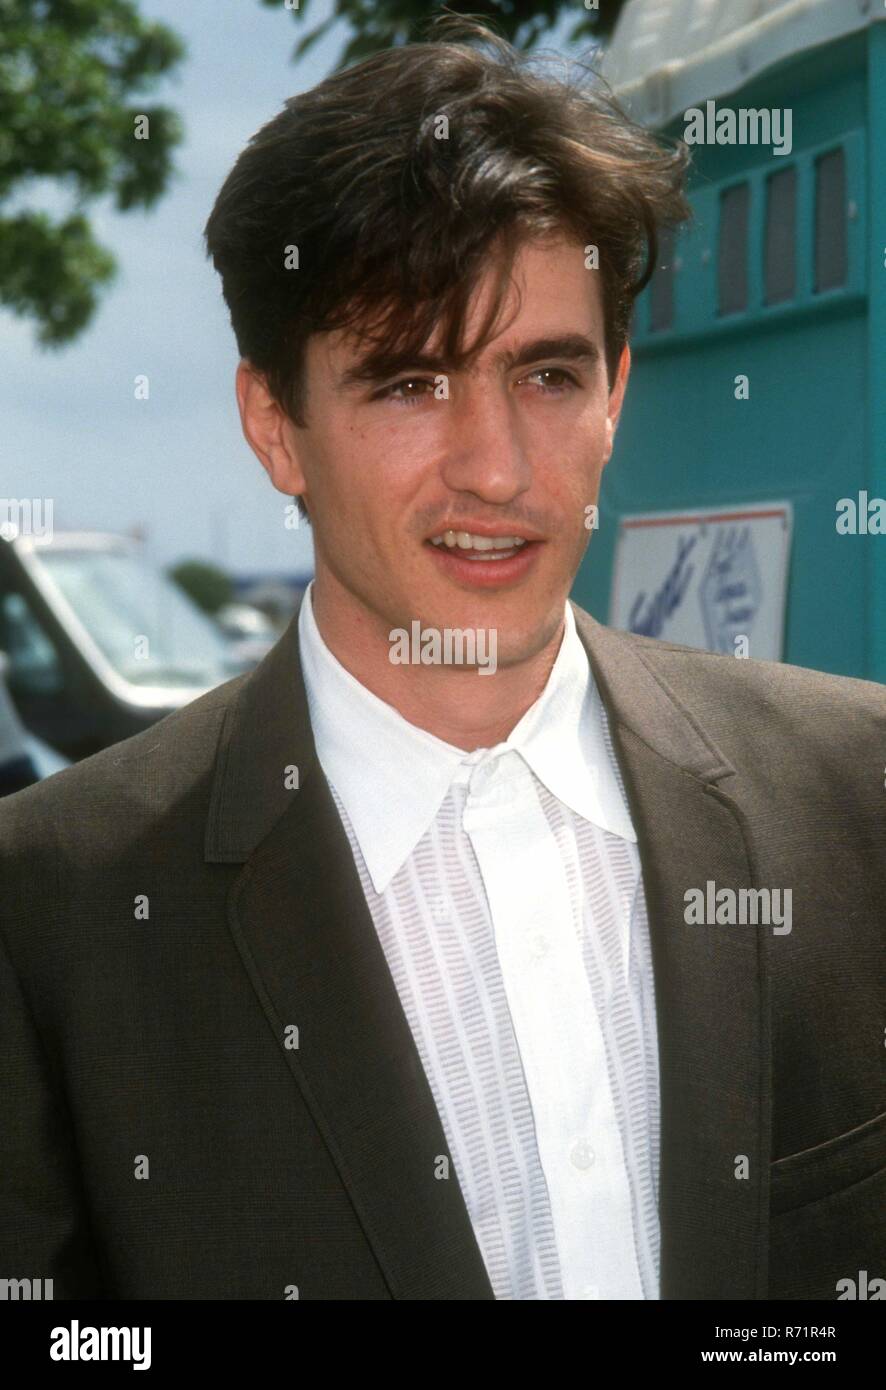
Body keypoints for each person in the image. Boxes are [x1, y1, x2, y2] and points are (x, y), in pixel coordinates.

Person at [1, 17, 884, 1302]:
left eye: (545, 374)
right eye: (411, 383)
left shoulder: (858, 797)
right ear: (276, 425)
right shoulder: (52, 916)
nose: (496, 466)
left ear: (616, 389)